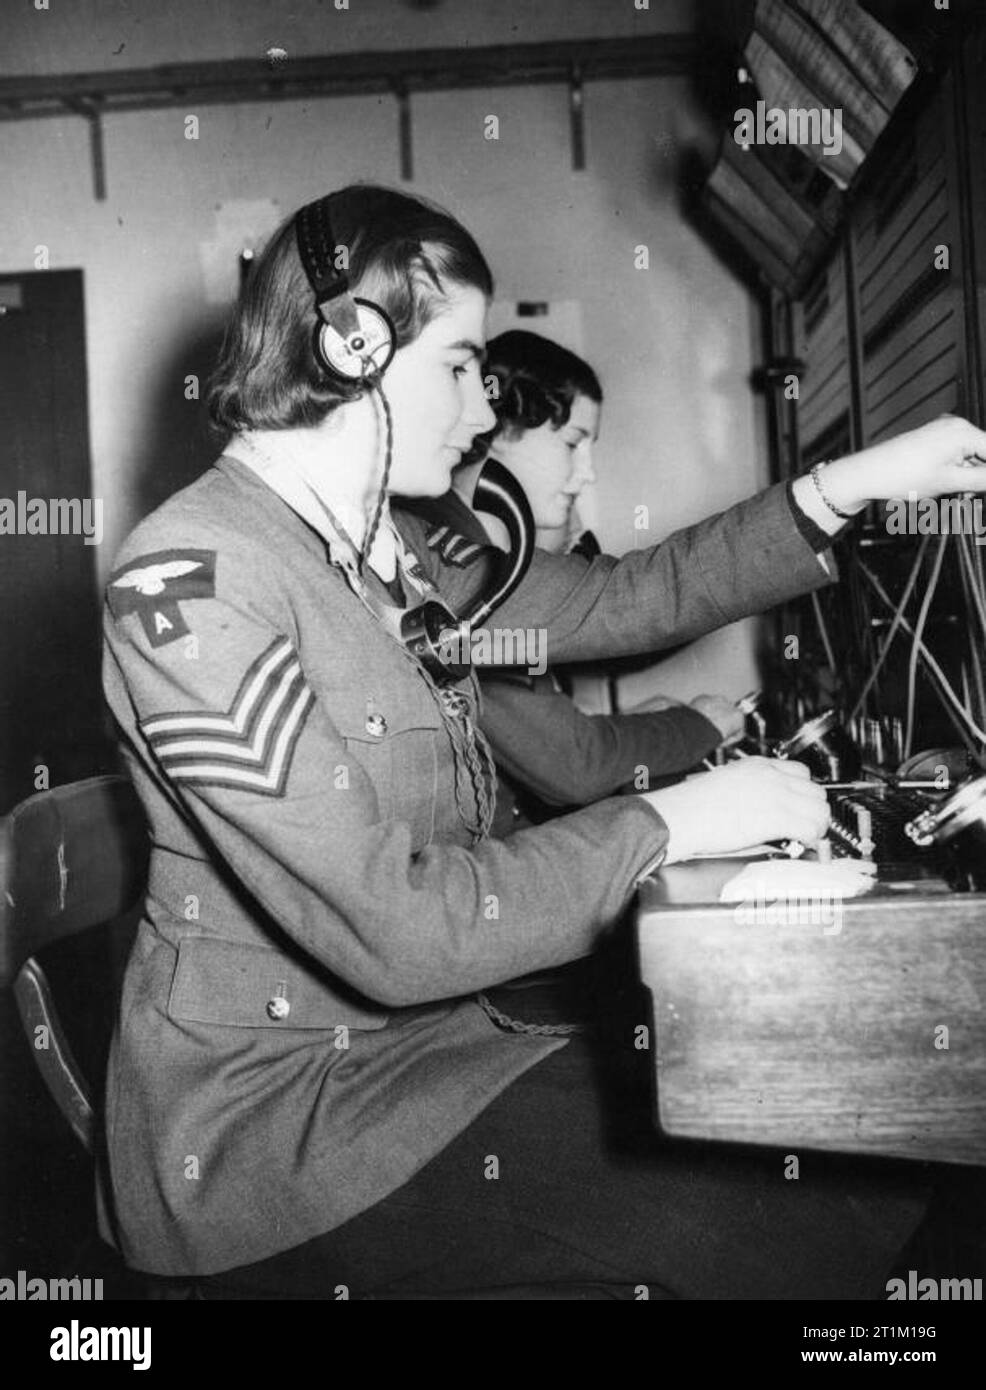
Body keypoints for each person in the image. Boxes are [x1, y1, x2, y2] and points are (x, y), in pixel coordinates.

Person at [101, 182, 986, 1299]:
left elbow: (628, 597)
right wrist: (671, 819)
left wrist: (847, 485)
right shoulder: (190, 582)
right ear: (351, 348)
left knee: (845, 1114)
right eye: (460, 367)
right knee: (819, 1189)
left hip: (433, 1047)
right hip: (275, 1133)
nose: (481, 414)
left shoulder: (397, 550)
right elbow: (399, 927)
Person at [403, 329, 744, 836]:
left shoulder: (477, 548)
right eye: (572, 444)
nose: (586, 474)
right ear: (495, 433)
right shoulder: (464, 573)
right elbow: (573, 766)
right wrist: (701, 725)